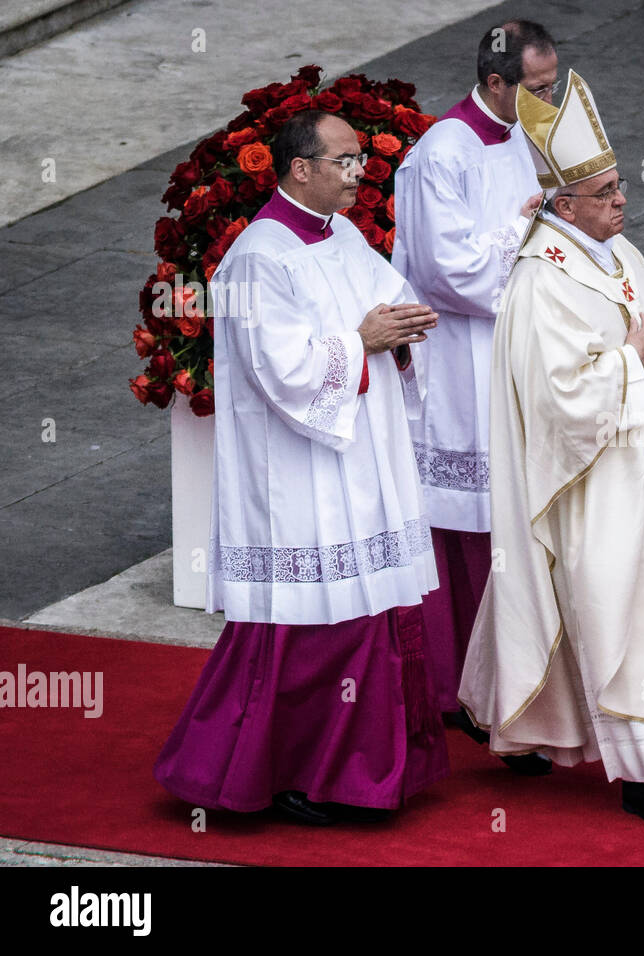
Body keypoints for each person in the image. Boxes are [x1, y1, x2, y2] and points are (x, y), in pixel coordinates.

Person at [457, 71, 644, 828]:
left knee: (603, 603)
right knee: (626, 611)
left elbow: (642, 320)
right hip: (596, 477)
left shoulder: (614, 251)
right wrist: (631, 359)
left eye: (620, 188)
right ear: (563, 203)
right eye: (608, 192)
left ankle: (515, 724)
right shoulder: (538, 281)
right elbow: (556, 394)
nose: (623, 201)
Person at [154, 110, 446, 826]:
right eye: (345, 161)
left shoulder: (340, 233)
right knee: (312, 626)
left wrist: (402, 330)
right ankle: (296, 774)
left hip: (358, 460)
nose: (359, 173)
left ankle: (355, 770)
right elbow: (282, 372)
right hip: (300, 475)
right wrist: (364, 339)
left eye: (359, 161)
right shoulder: (259, 258)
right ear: (299, 169)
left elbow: (387, 304)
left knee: (366, 610)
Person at [393, 19, 556, 774]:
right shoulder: (442, 153)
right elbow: (442, 269)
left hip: (521, 350)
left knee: (517, 528)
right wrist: (526, 244)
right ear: (495, 83)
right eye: (537, 89)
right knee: (473, 536)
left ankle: (518, 689)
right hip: (464, 360)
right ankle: (469, 691)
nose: (549, 102)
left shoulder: (524, 134)